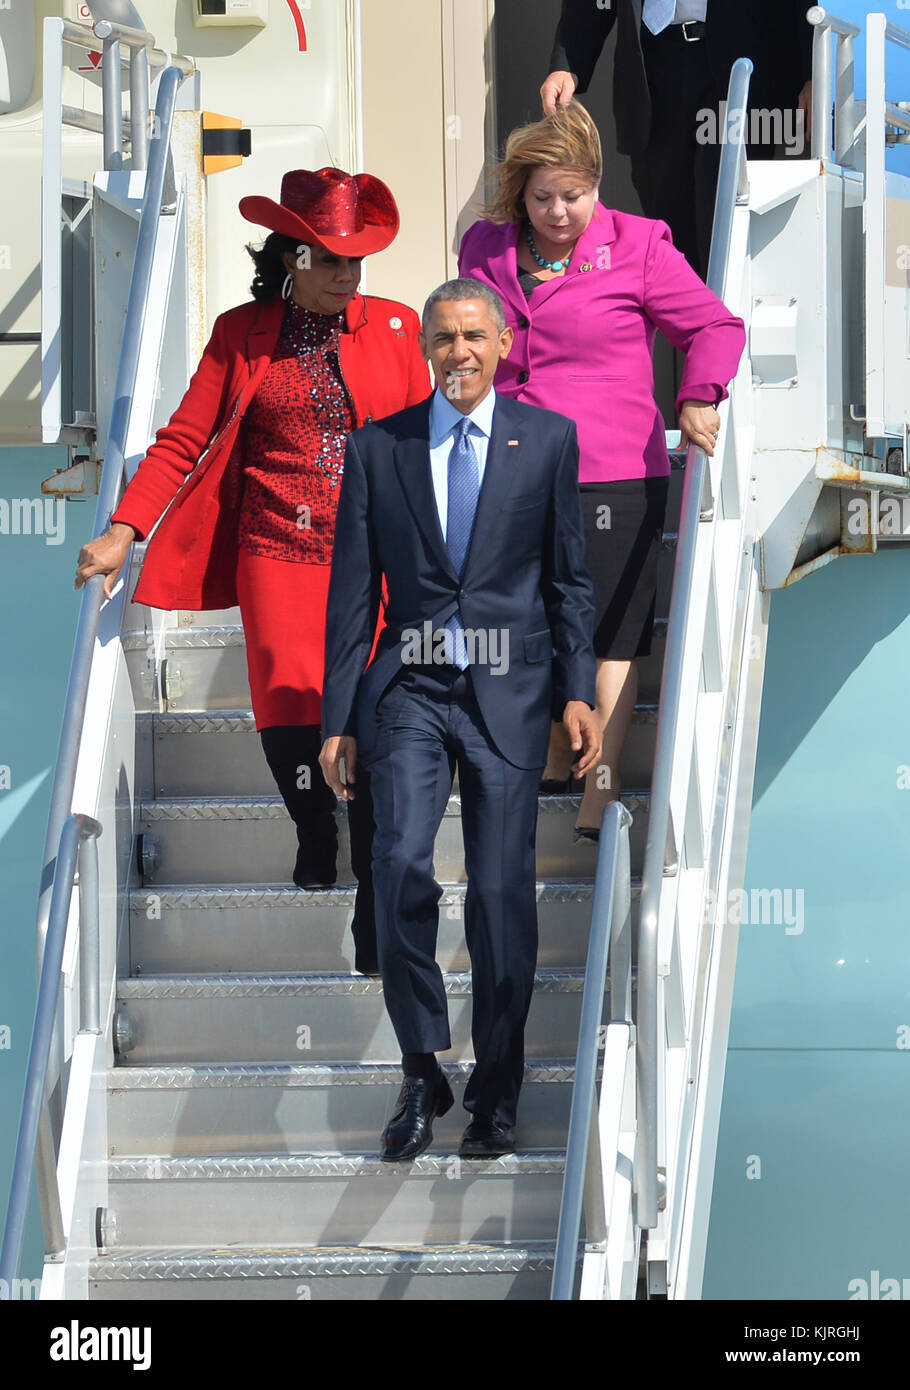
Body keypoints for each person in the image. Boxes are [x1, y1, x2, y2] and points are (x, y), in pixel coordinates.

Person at [74, 167, 430, 975]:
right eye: (331, 261)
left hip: (373, 558)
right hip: (276, 549)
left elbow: (425, 449)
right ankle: (312, 822)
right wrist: (124, 528)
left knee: (373, 729)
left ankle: (373, 917)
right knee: (289, 709)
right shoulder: (241, 333)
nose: (348, 277)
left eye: (356, 264)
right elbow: (181, 441)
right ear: (294, 259)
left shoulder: (400, 329)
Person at [319, 277, 601, 1160]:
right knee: (398, 861)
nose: (459, 354)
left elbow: (568, 580)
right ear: (425, 350)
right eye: (442, 339)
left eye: (474, 336)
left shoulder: (547, 441)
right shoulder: (379, 450)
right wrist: (339, 716)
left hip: (510, 693)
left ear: (504, 342)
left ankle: (498, 1091)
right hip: (410, 690)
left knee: (501, 895)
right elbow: (354, 593)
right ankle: (420, 1067)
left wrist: (578, 688)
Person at [458, 102, 744, 839]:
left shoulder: (640, 244)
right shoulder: (484, 248)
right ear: (520, 191)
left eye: (574, 194)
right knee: (524, 621)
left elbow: (715, 325)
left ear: (597, 185)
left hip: (613, 470)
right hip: (513, 466)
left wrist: (695, 395)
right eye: (543, 195)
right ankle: (559, 741)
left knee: (610, 634)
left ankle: (602, 790)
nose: (559, 211)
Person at [540, 0, 814, 277]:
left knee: (725, 218)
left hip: (742, 62)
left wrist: (814, 70)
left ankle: (724, 317)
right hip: (655, 66)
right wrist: (568, 63)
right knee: (669, 228)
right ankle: (684, 316)